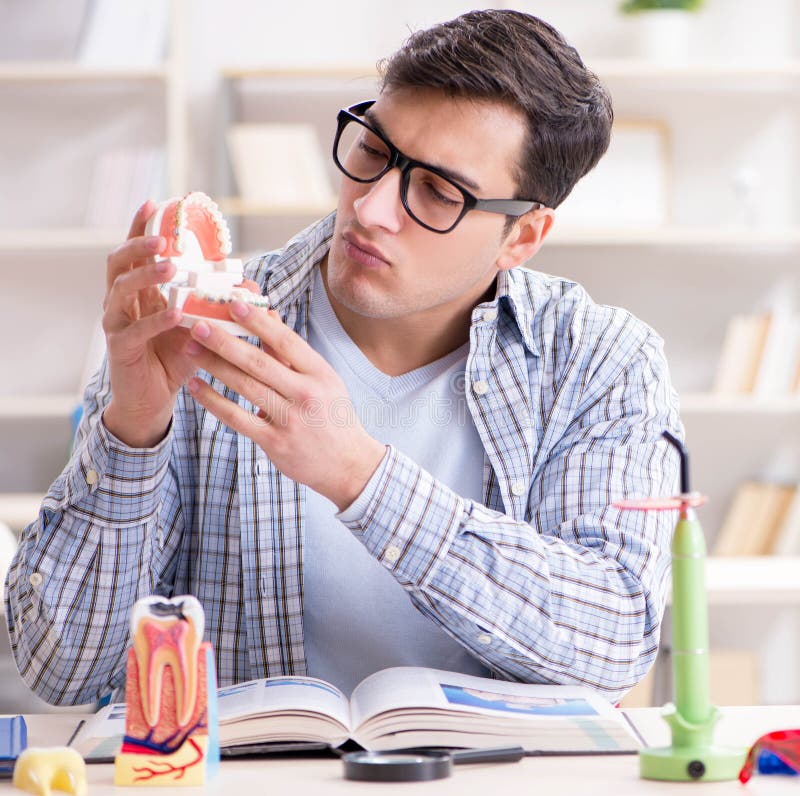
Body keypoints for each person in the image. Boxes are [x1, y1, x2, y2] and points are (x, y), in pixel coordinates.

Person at [5, 9, 681, 705]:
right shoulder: (198, 322)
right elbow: (63, 671)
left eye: (438, 192)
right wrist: (133, 428)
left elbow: (613, 640)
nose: (372, 208)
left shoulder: (602, 361)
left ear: (521, 237)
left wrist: (361, 477)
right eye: (372, 151)